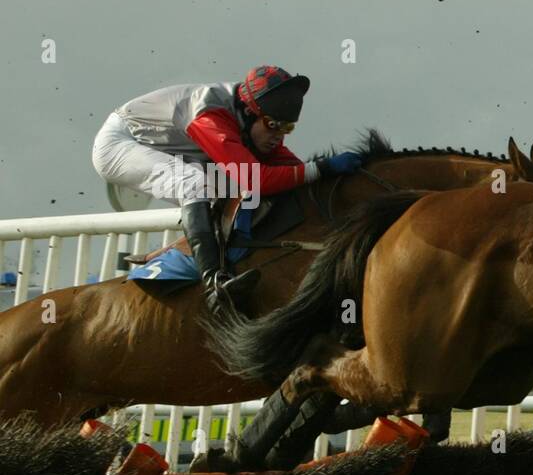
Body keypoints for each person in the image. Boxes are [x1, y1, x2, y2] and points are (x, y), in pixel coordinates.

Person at [91, 65, 363, 316]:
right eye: (272, 126)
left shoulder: (256, 116)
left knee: (228, 189)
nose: (278, 137)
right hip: (121, 143)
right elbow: (259, 181)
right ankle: (214, 282)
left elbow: (290, 173)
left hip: (170, 142)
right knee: (195, 184)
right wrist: (321, 168)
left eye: (286, 128)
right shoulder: (210, 115)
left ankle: (193, 254)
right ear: (248, 113)